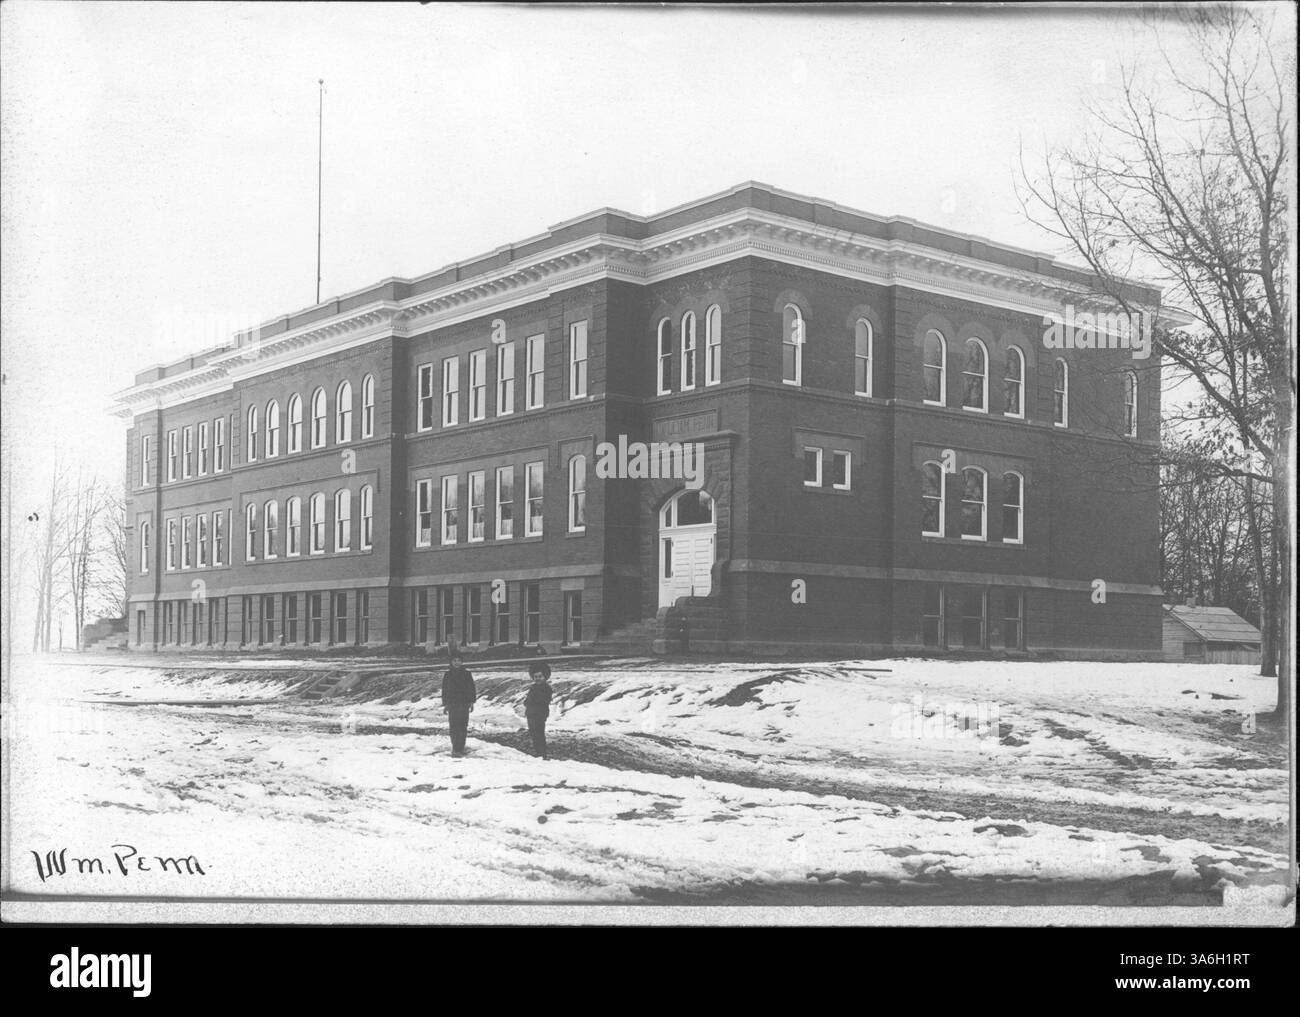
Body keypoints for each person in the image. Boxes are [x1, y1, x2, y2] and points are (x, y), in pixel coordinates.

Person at [440, 651, 477, 757]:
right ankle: (455, 748)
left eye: (459, 660)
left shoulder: (466, 674)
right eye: (454, 661)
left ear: (462, 662)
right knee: (453, 726)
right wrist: (446, 704)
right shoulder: (448, 675)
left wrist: (471, 702)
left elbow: (471, 688)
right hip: (452, 704)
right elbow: (445, 690)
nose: (457, 663)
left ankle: (461, 748)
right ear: (451, 662)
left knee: (463, 726)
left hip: (464, 704)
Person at [523, 660, 553, 760]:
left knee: (539, 733)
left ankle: (542, 753)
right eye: (536, 677)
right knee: (533, 733)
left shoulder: (546, 688)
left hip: (540, 714)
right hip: (531, 714)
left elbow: (542, 700)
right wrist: (528, 703)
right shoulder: (533, 687)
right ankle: (538, 752)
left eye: (540, 677)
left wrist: (532, 702)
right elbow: (528, 700)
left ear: (544, 677)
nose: (538, 679)